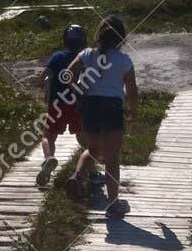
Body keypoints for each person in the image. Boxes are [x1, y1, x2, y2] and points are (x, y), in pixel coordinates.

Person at [64, 15, 137, 220]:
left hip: (90, 106)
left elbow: (68, 74)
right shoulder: (124, 60)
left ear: (98, 35)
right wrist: (133, 110)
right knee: (111, 158)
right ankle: (113, 205)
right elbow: (132, 89)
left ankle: (77, 176)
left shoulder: (87, 54)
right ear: (121, 37)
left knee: (93, 150)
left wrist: (78, 91)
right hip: (112, 108)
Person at [36, 22, 87, 187]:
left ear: (64, 41)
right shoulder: (84, 58)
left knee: (48, 136)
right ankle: (90, 162)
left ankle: (49, 159)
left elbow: (43, 74)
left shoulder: (57, 56)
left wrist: (40, 82)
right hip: (77, 104)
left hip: (56, 104)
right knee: (81, 135)